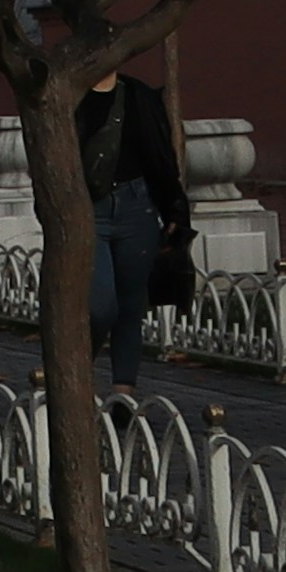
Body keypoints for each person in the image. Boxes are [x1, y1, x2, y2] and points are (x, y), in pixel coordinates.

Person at [84, 71, 180, 388]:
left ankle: (123, 396)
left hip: (137, 205)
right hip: (87, 209)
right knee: (100, 306)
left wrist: (174, 209)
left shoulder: (138, 95)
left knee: (130, 306)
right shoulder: (69, 95)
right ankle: (76, 372)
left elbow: (160, 156)